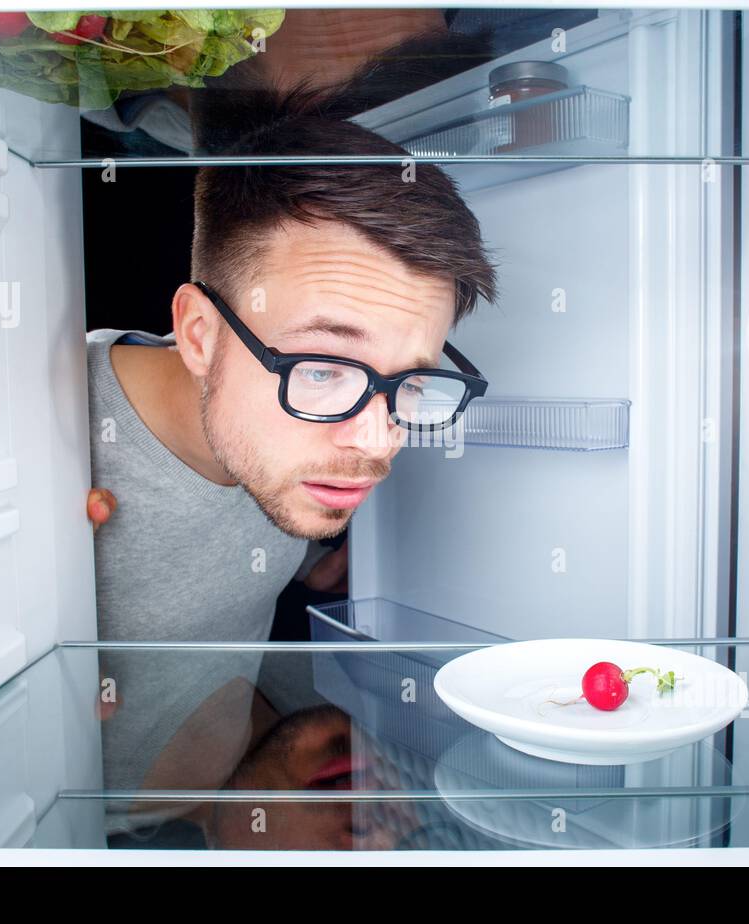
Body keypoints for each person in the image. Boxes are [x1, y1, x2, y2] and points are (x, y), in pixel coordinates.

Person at [83, 107, 499, 815]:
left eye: (412, 382)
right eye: (323, 369)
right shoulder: (33, 449)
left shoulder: (287, 451)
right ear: (199, 335)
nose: (376, 443)